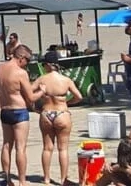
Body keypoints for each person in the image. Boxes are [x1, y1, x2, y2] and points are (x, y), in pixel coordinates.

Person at [33, 50, 84, 186]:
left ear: (48, 65)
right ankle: (63, 180)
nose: (43, 67)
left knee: (47, 148)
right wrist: (68, 103)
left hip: (46, 113)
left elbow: (28, 93)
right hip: (62, 113)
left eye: (44, 65)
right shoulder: (65, 80)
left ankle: (46, 179)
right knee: (63, 149)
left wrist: (34, 108)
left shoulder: (42, 79)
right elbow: (79, 97)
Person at [0, 42, 38, 186]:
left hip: (5, 110)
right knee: (20, 147)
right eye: (27, 61)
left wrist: (6, 90)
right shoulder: (20, 73)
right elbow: (31, 98)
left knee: (6, 145)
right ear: (21, 58)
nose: (27, 64)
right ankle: (22, 181)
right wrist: (42, 91)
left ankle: (7, 179)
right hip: (19, 111)